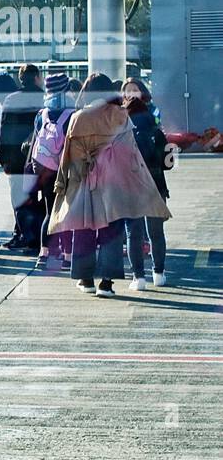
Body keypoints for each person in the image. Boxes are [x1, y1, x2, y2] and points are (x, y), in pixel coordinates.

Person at [49, 73, 171, 297]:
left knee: (84, 229)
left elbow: (69, 155)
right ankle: (106, 282)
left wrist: (65, 182)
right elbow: (130, 153)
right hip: (114, 182)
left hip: (85, 182)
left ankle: (86, 280)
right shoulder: (120, 115)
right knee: (111, 231)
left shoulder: (78, 117)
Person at [123, 78, 171, 290]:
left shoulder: (119, 125)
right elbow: (168, 163)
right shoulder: (155, 125)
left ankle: (138, 278)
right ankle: (159, 274)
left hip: (130, 185)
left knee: (134, 232)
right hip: (155, 183)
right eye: (128, 90)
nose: (131, 94)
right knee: (156, 231)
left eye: (134, 90)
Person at [31, 72, 77, 269]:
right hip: (64, 170)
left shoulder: (41, 114)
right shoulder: (71, 114)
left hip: (44, 169)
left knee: (50, 211)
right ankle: (67, 256)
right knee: (65, 213)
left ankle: (44, 253)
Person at [0, 64, 45, 253]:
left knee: (19, 198)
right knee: (37, 197)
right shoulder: (44, 98)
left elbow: (5, 132)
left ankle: (26, 233)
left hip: (16, 158)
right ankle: (32, 233)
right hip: (40, 157)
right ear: (36, 78)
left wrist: (4, 159)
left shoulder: (11, 100)